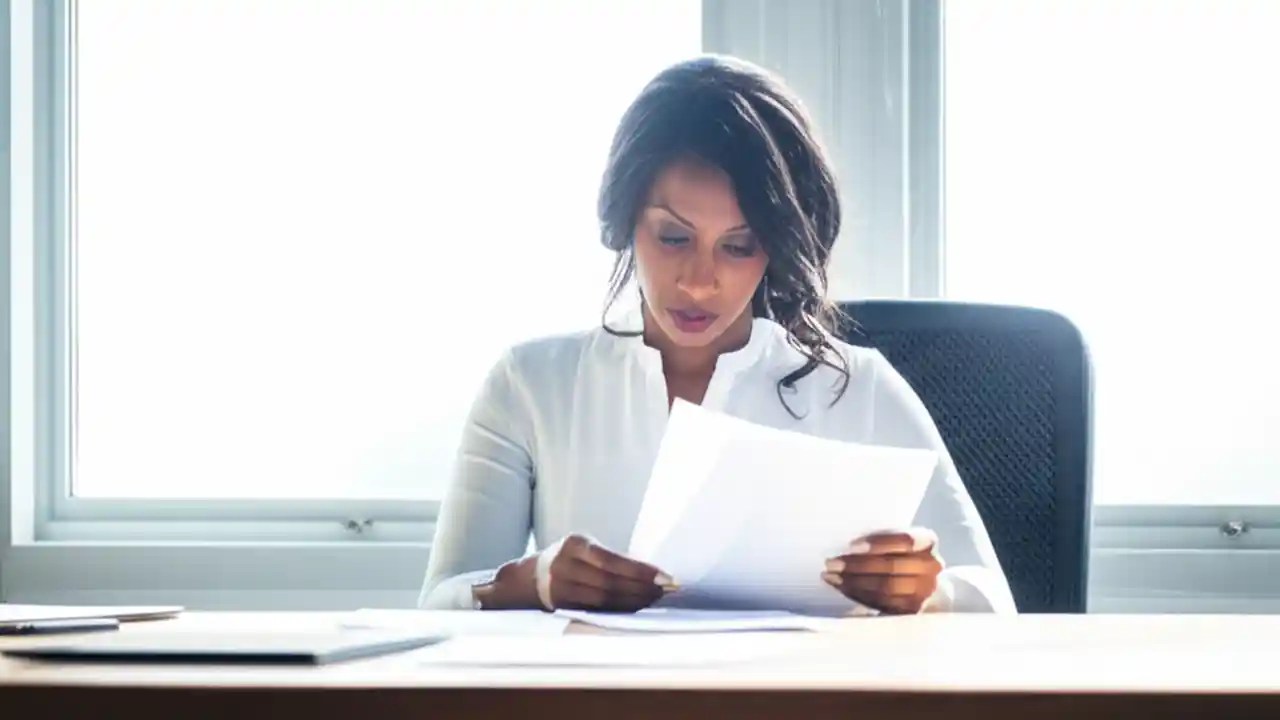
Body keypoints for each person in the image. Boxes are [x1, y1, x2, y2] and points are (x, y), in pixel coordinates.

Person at [419, 55, 1015, 615]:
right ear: (626, 220)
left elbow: (995, 602)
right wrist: (534, 582)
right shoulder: (531, 385)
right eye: (673, 238)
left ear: (775, 249)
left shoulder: (857, 388)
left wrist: (929, 592)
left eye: (738, 246)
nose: (700, 282)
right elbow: (439, 601)